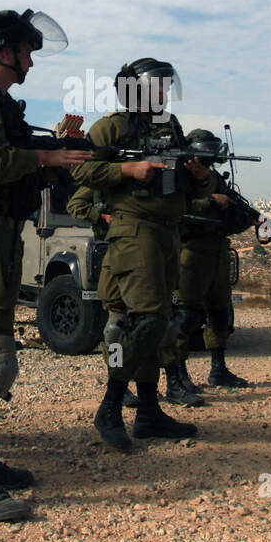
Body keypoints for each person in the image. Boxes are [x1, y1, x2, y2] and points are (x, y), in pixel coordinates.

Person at [0, 10, 87, 522]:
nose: (32, 59)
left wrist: (57, 152)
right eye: (27, 50)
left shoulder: (1, 103)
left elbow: (15, 158)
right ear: (5, 51)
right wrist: (47, 160)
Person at [72, 57, 216, 454]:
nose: (164, 92)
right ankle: (111, 406)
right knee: (149, 319)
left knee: (161, 323)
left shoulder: (169, 128)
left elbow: (190, 188)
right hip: (133, 231)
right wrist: (129, 171)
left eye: (167, 85)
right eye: (157, 85)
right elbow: (81, 173)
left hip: (168, 233)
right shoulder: (111, 128)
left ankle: (149, 413)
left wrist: (201, 177)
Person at [173, 129, 253, 398]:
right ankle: (178, 376)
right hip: (190, 251)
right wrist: (209, 202)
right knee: (186, 315)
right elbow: (176, 210)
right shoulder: (180, 177)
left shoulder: (213, 178)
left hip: (217, 248)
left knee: (219, 313)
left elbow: (232, 206)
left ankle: (218, 369)